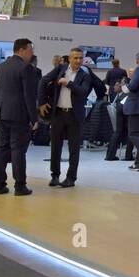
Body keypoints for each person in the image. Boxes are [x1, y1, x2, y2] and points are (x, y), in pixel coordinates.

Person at [40, 47, 103, 187]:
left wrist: (67, 83)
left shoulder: (85, 75)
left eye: (81, 58)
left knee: (74, 148)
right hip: (58, 114)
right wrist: (42, 102)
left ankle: (71, 178)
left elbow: (83, 91)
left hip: (74, 115)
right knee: (55, 146)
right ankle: (54, 175)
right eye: (75, 58)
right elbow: (44, 81)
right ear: (69, 59)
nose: (78, 61)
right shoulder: (60, 69)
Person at [0, 37, 41, 195]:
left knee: (2, 148)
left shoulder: (1, 66)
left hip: (2, 112)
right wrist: (34, 118)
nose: (32, 53)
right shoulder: (26, 68)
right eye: (30, 49)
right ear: (21, 50)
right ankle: (20, 185)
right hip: (18, 114)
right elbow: (29, 95)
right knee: (18, 150)